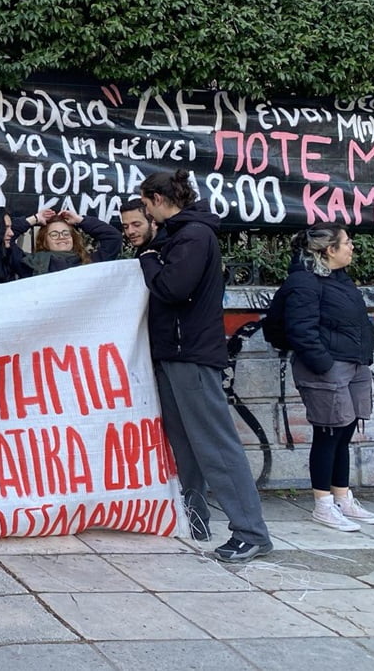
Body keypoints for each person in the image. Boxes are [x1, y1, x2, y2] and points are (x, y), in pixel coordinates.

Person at [138, 169, 273, 562]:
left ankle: (251, 531)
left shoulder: (194, 236)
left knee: (215, 444)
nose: (145, 214)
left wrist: (149, 259)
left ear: (159, 199)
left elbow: (171, 288)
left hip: (191, 355)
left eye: (146, 205)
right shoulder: (181, 235)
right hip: (176, 354)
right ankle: (195, 518)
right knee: (186, 445)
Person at [276, 223, 374, 531]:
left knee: (345, 432)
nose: (352, 247)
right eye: (347, 242)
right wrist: (323, 363)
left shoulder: (338, 278)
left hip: (354, 364)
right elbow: (300, 329)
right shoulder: (305, 282)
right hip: (327, 368)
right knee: (329, 433)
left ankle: (342, 497)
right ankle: (323, 504)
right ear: (329, 250)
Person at [14, 208, 121, 277]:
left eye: (66, 233)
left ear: (73, 238)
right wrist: (34, 219)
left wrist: (80, 220)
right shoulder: (29, 264)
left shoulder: (90, 262)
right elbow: (2, 240)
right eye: (54, 234)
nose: (61, 237)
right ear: (44, 241)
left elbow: (113, 237)